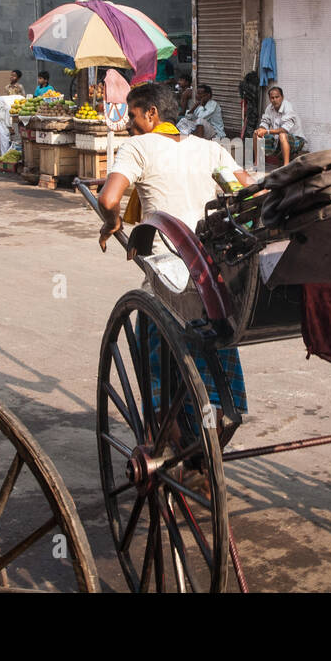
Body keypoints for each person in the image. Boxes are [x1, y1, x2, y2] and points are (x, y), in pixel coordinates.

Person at [96, 83, 254, 418]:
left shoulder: (138, 147)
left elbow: (108, 200)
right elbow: (247, 194)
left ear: (151, 114)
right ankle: (219, 412)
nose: (128, 123)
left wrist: (112, 222)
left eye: (133, 115)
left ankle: (168, 432)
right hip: (210, 276)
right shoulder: (208, 149)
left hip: (169, 278)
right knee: (212, 334)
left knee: (148, 344)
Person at [254, 85, 307, 166]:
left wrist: (267, 131)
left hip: (297, 140)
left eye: (277, 97)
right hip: (278, 140)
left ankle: (286, 166)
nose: (275, 100)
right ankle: (257, 163)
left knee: (282, 135)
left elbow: (284, 130)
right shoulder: (269, 108)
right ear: (270, 99)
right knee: (256, 134)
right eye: (272, 98)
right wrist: (261, 129)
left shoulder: (288, 107)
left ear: (282, 97)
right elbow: (265, 122)